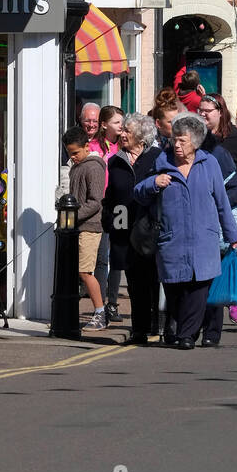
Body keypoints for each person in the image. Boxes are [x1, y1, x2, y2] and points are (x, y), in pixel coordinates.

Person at [133, 113, 237, 349]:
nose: (177, 145)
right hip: (172, 240)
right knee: (176, 290)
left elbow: (222, 202)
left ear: (196, 142)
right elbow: (137, 192)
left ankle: (187, 335)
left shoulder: (209, 163)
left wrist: (232, 234)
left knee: (199, 289)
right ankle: (186, 330)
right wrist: (153, 183)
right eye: (175, 140)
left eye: (183, 141)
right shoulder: (161, 163)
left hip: (204, 240)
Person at [198, 93, 237, 336]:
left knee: (227, 253)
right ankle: (206, 307)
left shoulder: (234, 137)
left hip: (227, 199)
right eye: (200, 110)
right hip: (203, 202)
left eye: (207, 110)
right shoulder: (197, 136)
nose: (202, 114)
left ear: (220, 111)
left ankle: (232, 297)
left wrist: (235, 181)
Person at [103, 114, 162, 344]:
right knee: (135, 283)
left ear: (142, 136)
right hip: (124, 230)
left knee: (154, 280)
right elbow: (111, 196)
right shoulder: (115, 160)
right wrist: (109, 218)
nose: (122, 134)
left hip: (149, 229)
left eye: (127, 131)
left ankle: (158, 325)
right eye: (123, 130)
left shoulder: (158, 158)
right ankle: (139, 330)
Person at [63, 125, 110, 328]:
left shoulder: (93, 166)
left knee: (85, 272)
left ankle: (101, 314)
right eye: (69, 153)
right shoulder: (78, 166)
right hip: (78, 226)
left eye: (75, 152)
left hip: (90, 227)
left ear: (86, 146)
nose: (72, 157)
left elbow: (95, 201)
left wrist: (72, 216)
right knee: (79, 271)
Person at [90, 105, 123, 315]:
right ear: (104, 124)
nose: (121, 125)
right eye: (117, 122)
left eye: (122, 121)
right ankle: (101, 305)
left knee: (118, 255)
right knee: (102, 257)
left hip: (120, 205)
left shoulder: (123, 146)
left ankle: (112, 302)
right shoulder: (93, 146)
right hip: (101, 204)